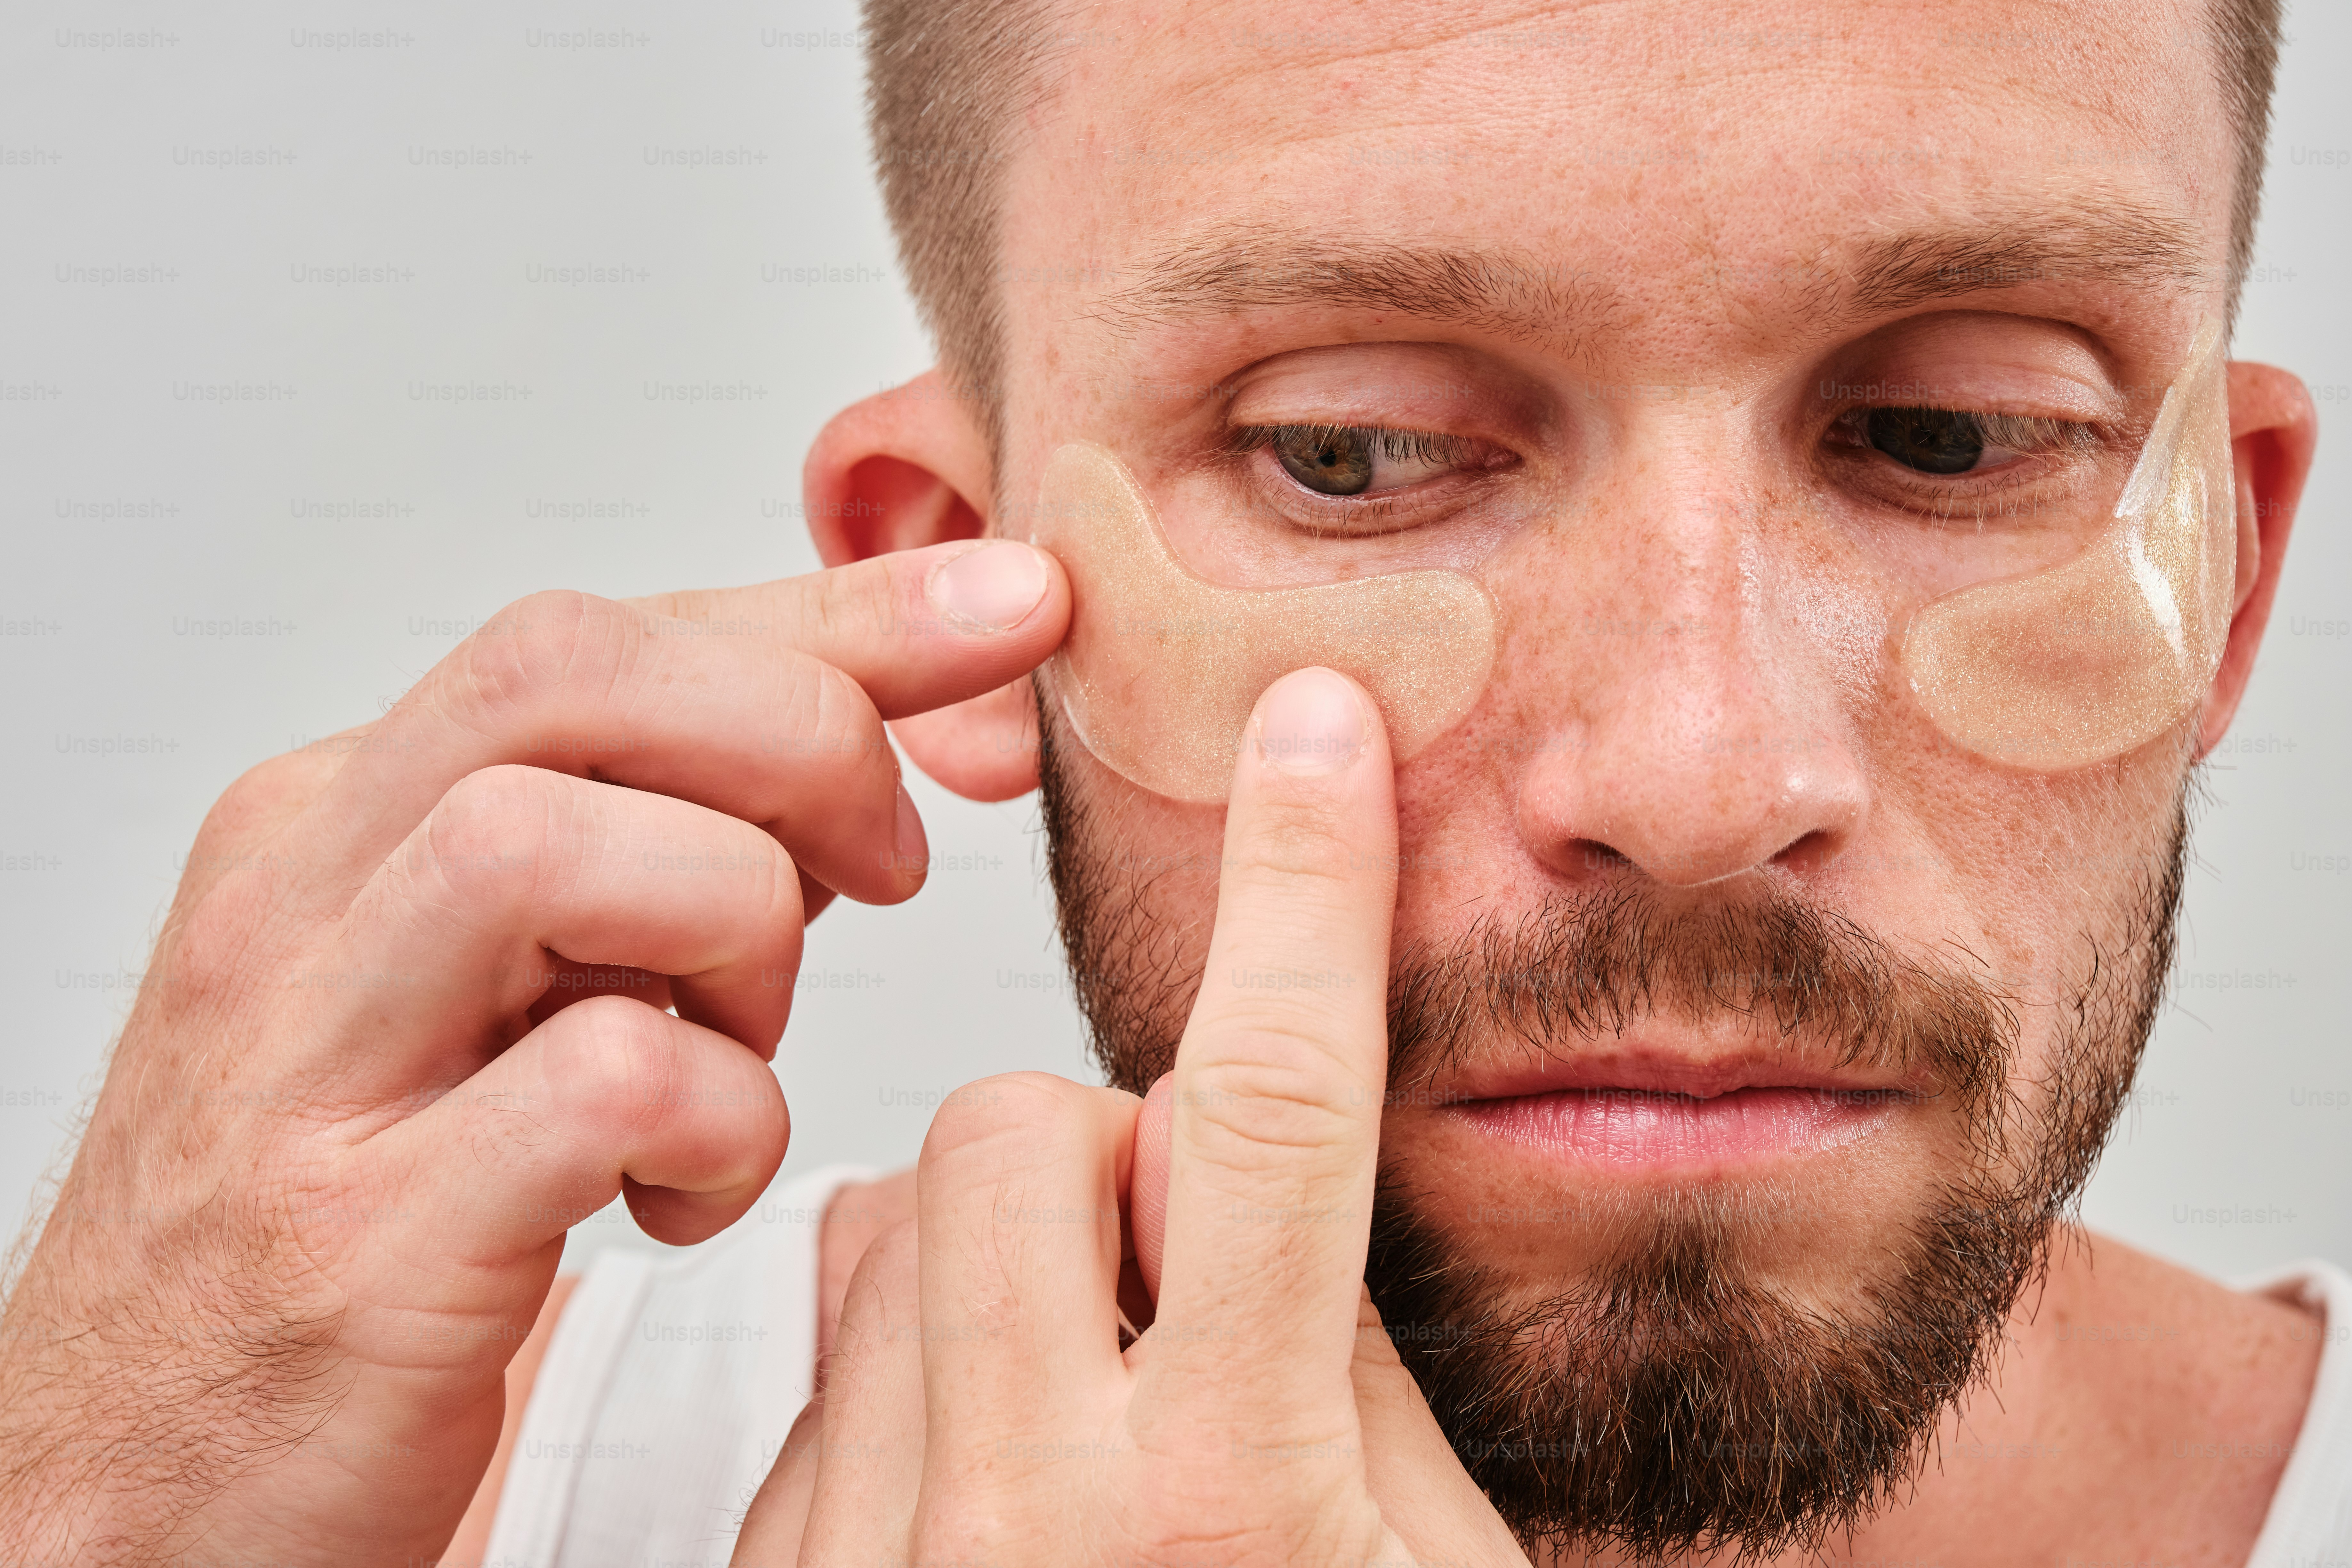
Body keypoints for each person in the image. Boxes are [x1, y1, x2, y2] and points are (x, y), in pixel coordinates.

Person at [0, 1, 2340, 1564]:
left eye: (1945, 436)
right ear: (964, 587)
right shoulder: (408, 1501)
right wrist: (91, 1478)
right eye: (1352, 452)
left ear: (2220, 582)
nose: (1701, 764)